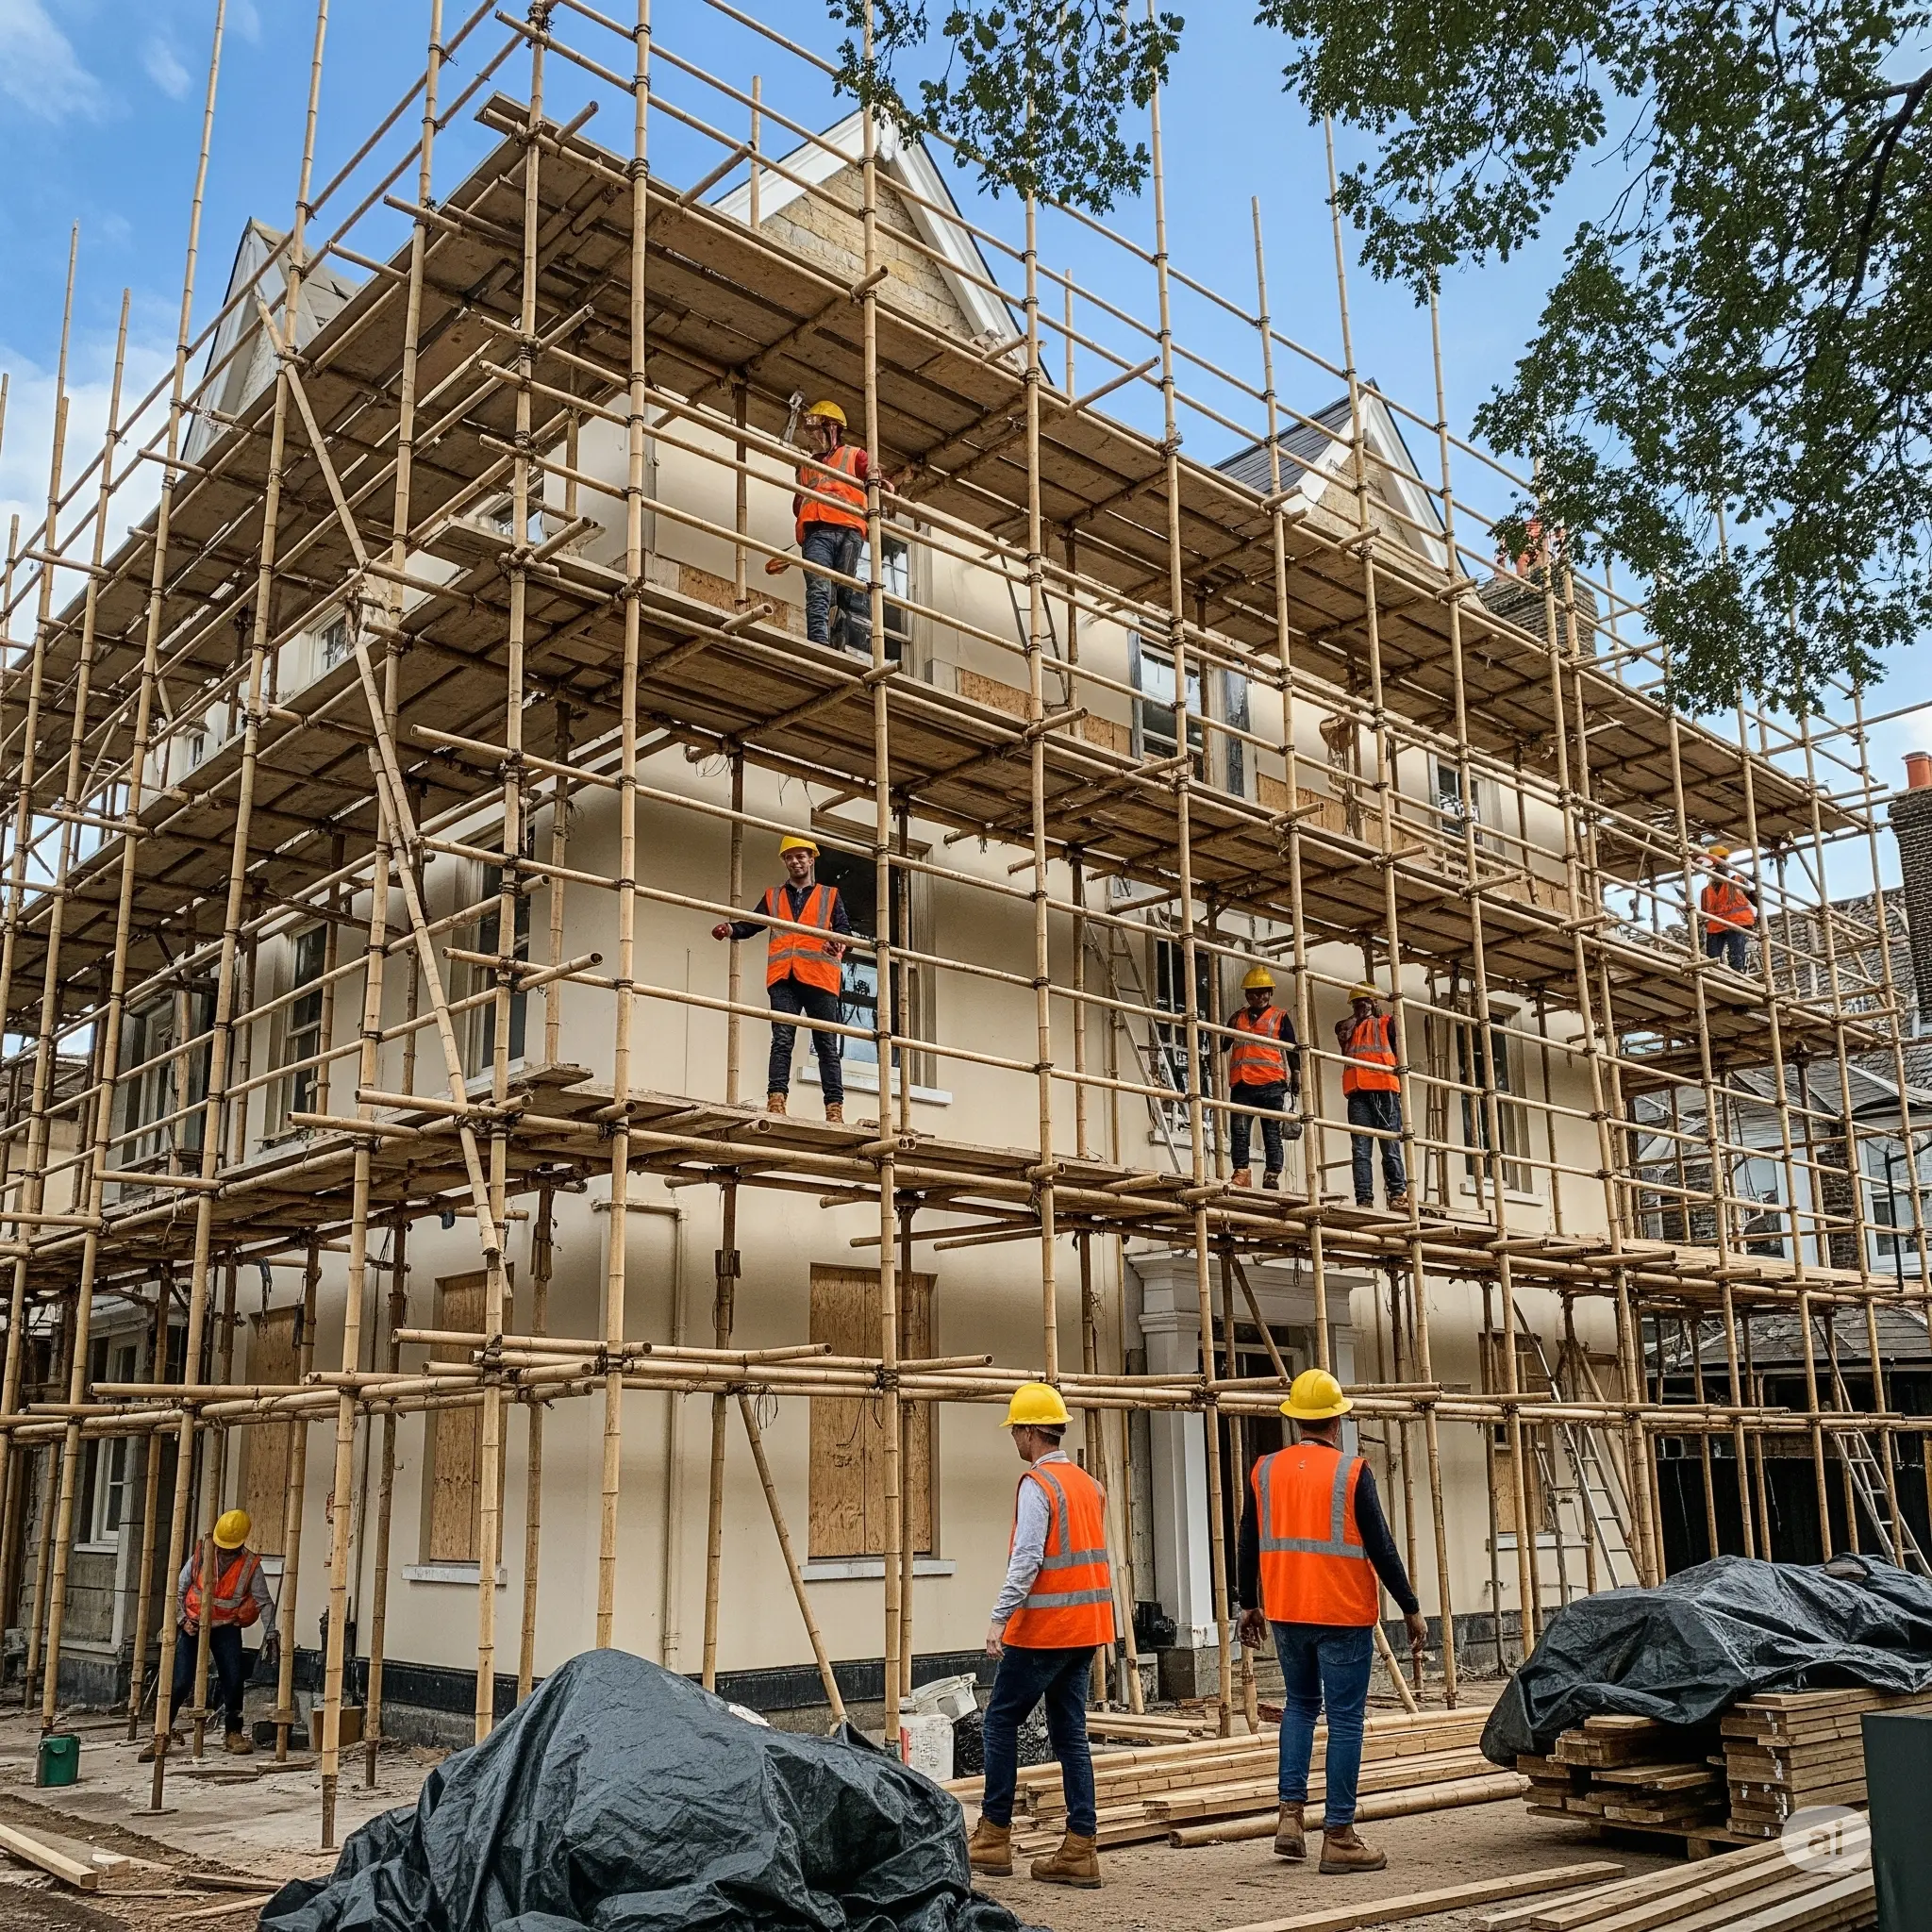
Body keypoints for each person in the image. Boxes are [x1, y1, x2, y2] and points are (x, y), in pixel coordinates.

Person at [1238, 1370, 1427, 1875]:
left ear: (1295, 1419)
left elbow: (1246, 1539)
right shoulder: (1351, 1471)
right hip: (1342, 1613)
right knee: (1344, 1718)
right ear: (1338, 1421)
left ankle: (1290, 1819)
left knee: (1300, 1708)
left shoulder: (1264, 1471)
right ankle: (1339, 1835)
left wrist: (1246, 1603)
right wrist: (1409, 1606)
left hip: (1286, 1610)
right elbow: (1382, 1546)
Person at [968, 1381, 1114, 1891]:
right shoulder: (1087, 1484)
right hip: (1088, 1628)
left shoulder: (1038, 1486)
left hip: (1046, 1630)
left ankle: (993, 1836)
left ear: (1031, 1431)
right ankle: (1080, 1846)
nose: (1014, 1440)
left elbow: (1027, 1559)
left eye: (1016, 1431)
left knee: (1000, 1721)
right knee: (1070, 1731)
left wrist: (998, 1618)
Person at [711, 834, 850, 1122]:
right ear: (785, 861)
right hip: (783, 977)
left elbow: (844, 931)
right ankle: (776, 1101)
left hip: (820, 977)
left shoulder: (830, 895)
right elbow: (753, 924)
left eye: (801, 856)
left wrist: (839, 943)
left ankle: (834, 1109)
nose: (795, 861)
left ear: (811, 859)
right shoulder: (773, 896)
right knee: (782, 1040)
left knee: (826, 1044)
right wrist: (730, 929)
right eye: (790, 857)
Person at [139, 1508, 278, 1760]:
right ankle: (161, 1733)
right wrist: (182, 1620)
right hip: (193, 1625)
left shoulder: (249, 1565)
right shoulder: (202, 1553)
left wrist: (271, 1634)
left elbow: (264, 1602)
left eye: (228, 1547)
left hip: (225, 1628)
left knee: (233, 1680)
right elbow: (178, 1591)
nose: (223, 1551)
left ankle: (233, 1733)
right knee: (180, 1681)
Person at [791, 399, 886, 653]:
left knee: (843, 593)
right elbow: (797, 503)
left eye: (813, 430)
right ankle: (820, 643)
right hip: (816, 532)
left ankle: (837, 645)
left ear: (831, 428)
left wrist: (881, 484)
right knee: (819, 589)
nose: (810, 437)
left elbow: (875, 486)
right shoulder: (807, 465)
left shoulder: (855, 456)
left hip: (848, 531)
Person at [1222, 964, 1301, 1191]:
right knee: (1239, 1130)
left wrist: (1296, 1075)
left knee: (1272, 1131)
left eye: (1265, 992)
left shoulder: (1279, 1017)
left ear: (1270, 993)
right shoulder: (1237, 1018)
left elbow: (1291, 1048)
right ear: (1248, 995)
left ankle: (1272, 1174)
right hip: (1243, 1083)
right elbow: (1224, 1044)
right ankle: (1242, 1172)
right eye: (1256, 993)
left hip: (1271, 1083)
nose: (1261, 996)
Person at [1335, 983, 1407, 1210]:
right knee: (1361, 1150)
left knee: (1390, 1147)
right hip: (1358, 1093)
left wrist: (1377, 1013)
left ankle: (1398, 1194)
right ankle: (1364, 1198)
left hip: (1384, 1089)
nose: (1360, 1006)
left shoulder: (1387, 1023)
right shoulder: (1349, 1026)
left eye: (1365, 1002)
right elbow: (1340, 1029)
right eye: (1356, 1003)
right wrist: (1359, 1017)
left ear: (1375, 1002)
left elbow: (1399, 1047)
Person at [1700, 845, 1757, 974]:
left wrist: (1756, 886)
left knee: (1736, 959)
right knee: (1712, 960)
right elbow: (1704, 914)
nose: (1720, 868)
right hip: (1715, 927)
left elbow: (1754, 899)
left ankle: (1737, 974)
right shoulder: (1705, 892)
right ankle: (1716, 975)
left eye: (1722, 864)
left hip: (1736, 923)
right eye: (1717, 865)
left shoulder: (1738, 880)